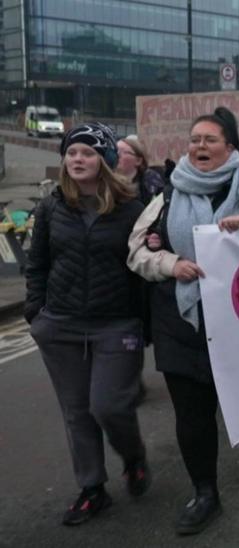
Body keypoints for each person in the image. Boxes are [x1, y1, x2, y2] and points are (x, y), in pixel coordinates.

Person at [127, 107, 239, 535]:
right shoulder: (168, 194)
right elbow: (136, 252)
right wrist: (170, 263)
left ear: (230, 147)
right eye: (195, 139)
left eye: (210, 140)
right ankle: (205, 494)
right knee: (192, 413)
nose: (200, 146)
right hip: (181, 320)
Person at [26, 123, 150, 526]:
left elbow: (142, 270)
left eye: (88, 152)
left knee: (109, 406)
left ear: (106, 160)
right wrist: (36, 314)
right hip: (60, 324)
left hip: (116, 324)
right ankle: (92, 488)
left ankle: (133, 456)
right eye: (72, 152)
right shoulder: (51, 207)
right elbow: (37, 263)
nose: (77, 159)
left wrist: (144, 324)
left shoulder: (131, 208)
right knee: (77, 412)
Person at [116, 136, 164, 204]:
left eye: (123, 152)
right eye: (115, 151)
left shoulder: (150, 180)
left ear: (138, 161)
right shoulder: (105, 180)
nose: (117, 155)